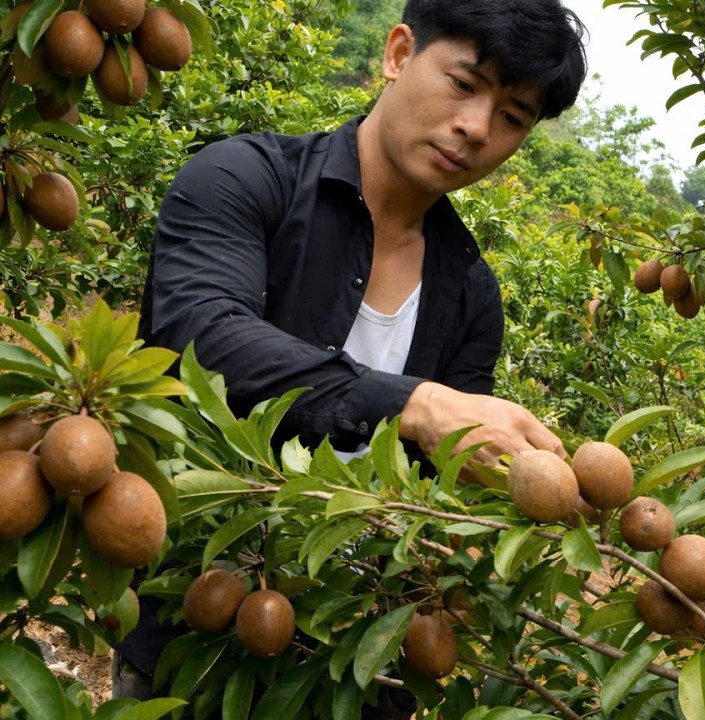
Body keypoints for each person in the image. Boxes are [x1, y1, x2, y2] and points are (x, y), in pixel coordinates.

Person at [119, 0, 588, 711]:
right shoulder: (244, 179)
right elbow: (201, 334)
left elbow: (441, 496)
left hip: (357, 671)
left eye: (514, 117)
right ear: (398, 53)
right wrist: (414, 402)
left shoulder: (470, 290)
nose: (477, 128)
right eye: (464, 84)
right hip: (191, 647)